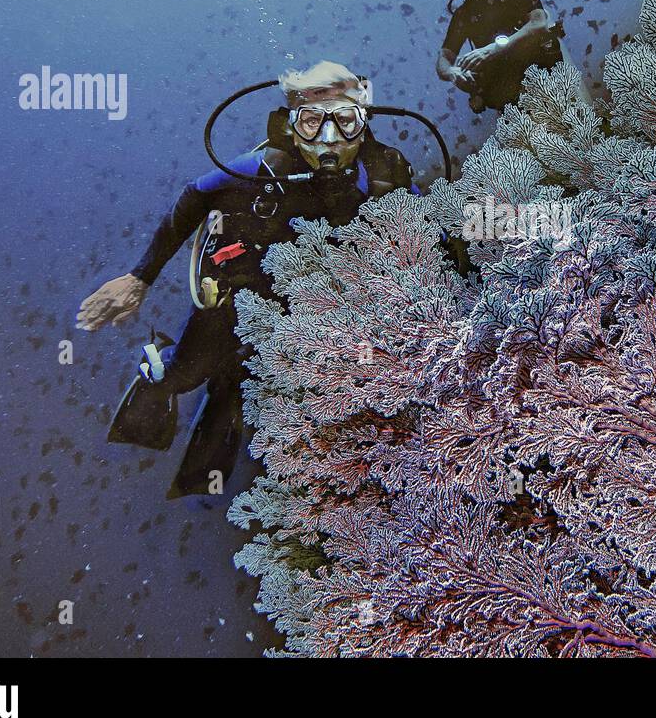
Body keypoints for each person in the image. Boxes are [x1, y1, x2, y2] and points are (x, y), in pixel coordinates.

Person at [76, 61, 415, 498]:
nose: (329, 138)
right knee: (185, 375)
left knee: (262, 387)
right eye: (312, 122)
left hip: (331, 303)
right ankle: (163, 370)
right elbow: (194, 197)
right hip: (240, 291)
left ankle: (233, 390)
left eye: (344, 120)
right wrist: (139, 278)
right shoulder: (260, 167)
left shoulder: (388, 170)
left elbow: (421, 232)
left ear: (364, 123)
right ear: (290, 126)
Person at [436, 0, 569, 113]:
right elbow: (445, 56)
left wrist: (494, 49)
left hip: (546, 76)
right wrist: (451, 73)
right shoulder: (464, 14)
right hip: (509, 96)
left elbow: (539, 22)